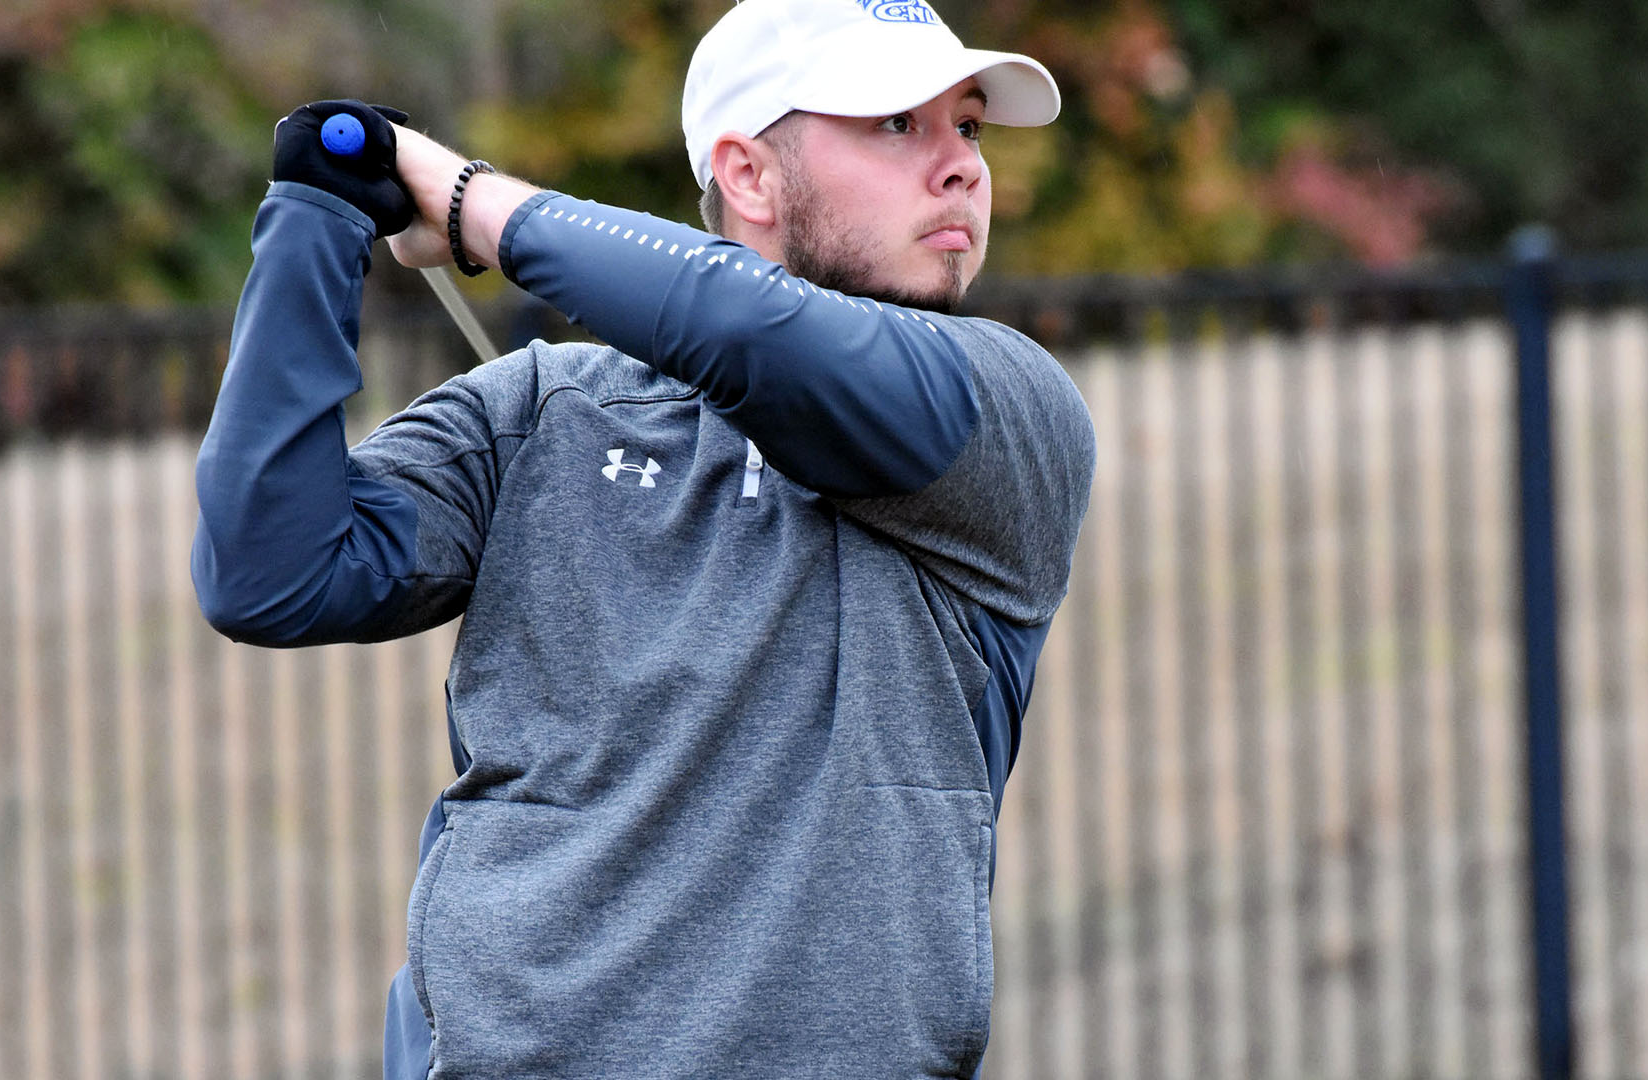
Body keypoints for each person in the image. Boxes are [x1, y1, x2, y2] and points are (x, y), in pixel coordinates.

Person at [191, 0, 1095, 1076]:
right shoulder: (539, 410)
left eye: (971, 127)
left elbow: (753, 331)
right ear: (748, 175)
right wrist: (312, 221)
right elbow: (268, 572)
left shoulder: (1003, 410)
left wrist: (473, 201)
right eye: (900, 124)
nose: (960, 168)